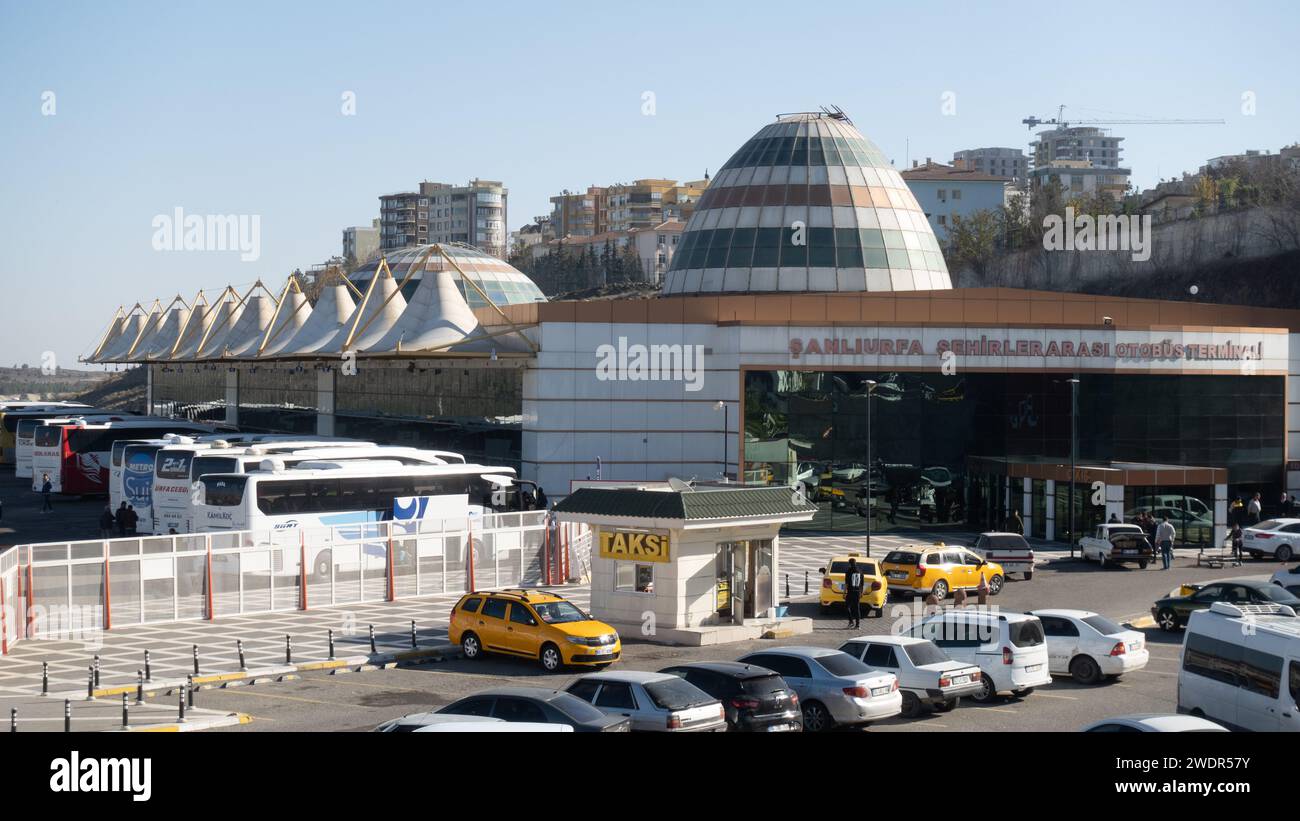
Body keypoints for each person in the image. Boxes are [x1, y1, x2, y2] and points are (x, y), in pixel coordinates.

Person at [843, 557, 864, 630]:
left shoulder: (848, 571)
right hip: (857, 592)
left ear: (850, 564)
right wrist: (861, 592)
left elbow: (846, 584)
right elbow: (862, 584)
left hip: (850, 592)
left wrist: (844, 593)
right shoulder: (860, 571)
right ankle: (858, 625)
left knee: (847, 606)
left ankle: (851, 621)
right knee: (857, 608)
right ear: (855, 563)